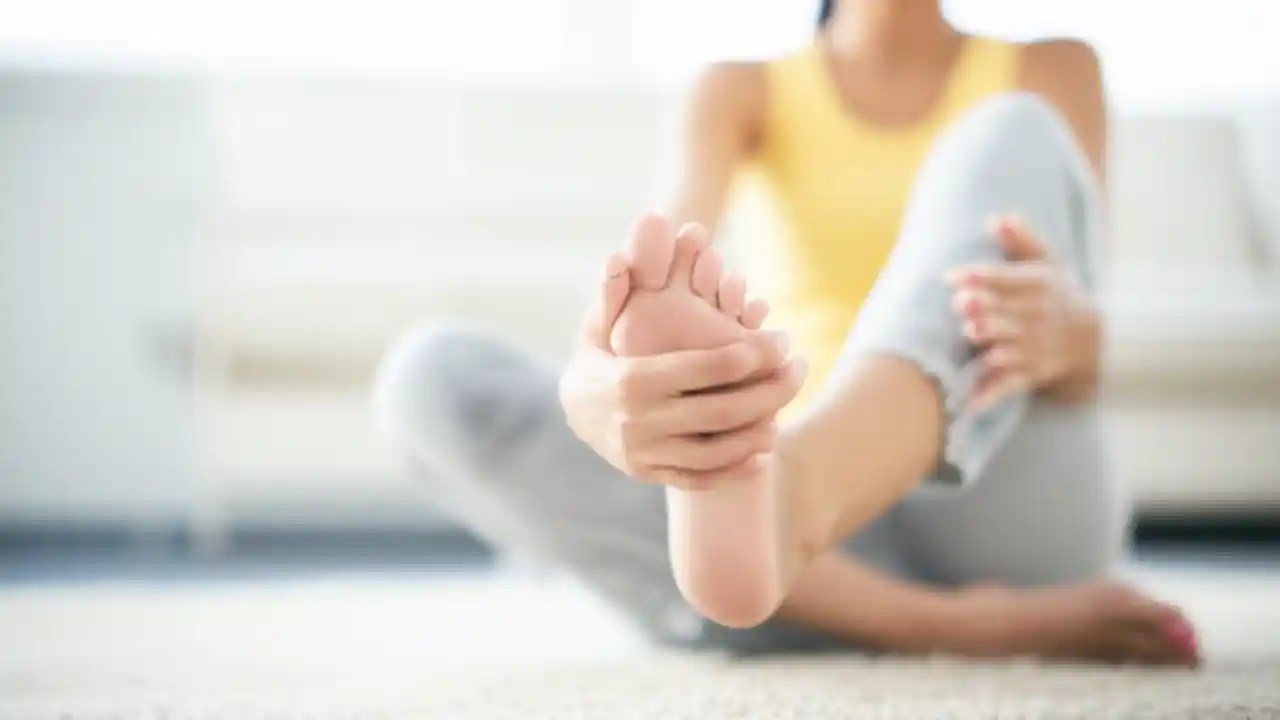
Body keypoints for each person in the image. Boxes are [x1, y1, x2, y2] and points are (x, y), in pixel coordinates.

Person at [375, 0, 1200, 665]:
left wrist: (1066, 334)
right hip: (780, 506)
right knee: (431, 380)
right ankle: (929, 616)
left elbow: (1087, 344)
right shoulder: (743, 89)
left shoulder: (1052, 65)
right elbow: (654, 269)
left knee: (1007, 129)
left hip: (994, 493)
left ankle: (791, 524)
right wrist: (600, 386)